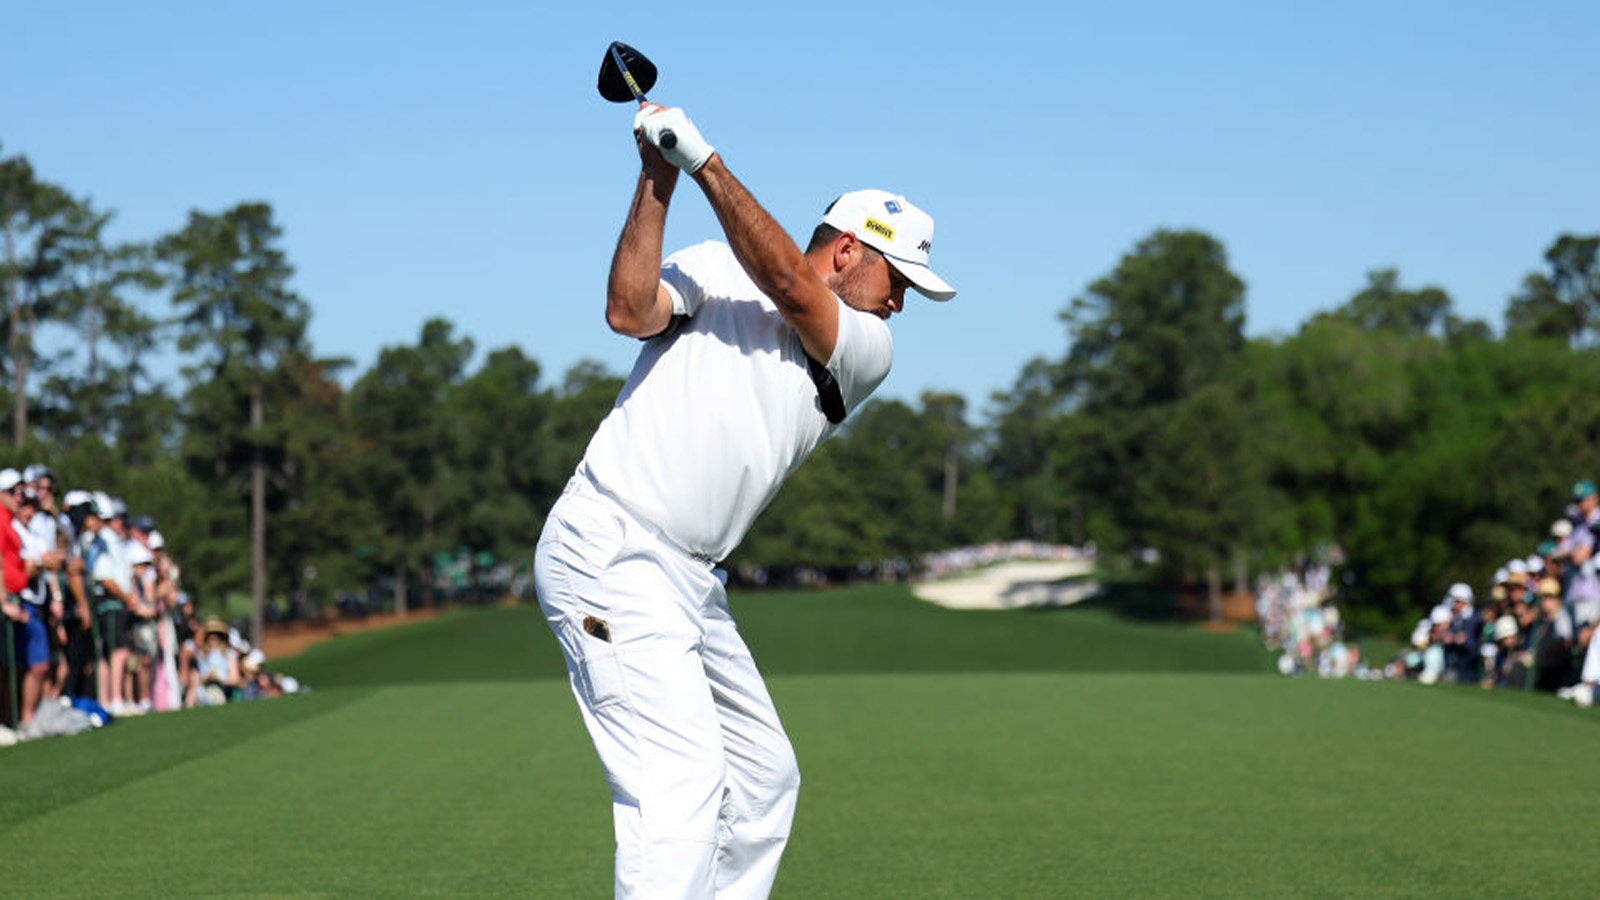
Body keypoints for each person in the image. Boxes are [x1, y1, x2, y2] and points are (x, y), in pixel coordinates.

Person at [533, 102, 954, 900]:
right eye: (897, 281)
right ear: (851, 250)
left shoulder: (866, 350)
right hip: (611, 545)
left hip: (691, 578)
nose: (899, 304)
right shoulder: (718, 268)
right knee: (679, 784)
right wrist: (656, 177)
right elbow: (629, 310)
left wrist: (704, 162)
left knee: (762, 781)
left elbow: (792, 287)